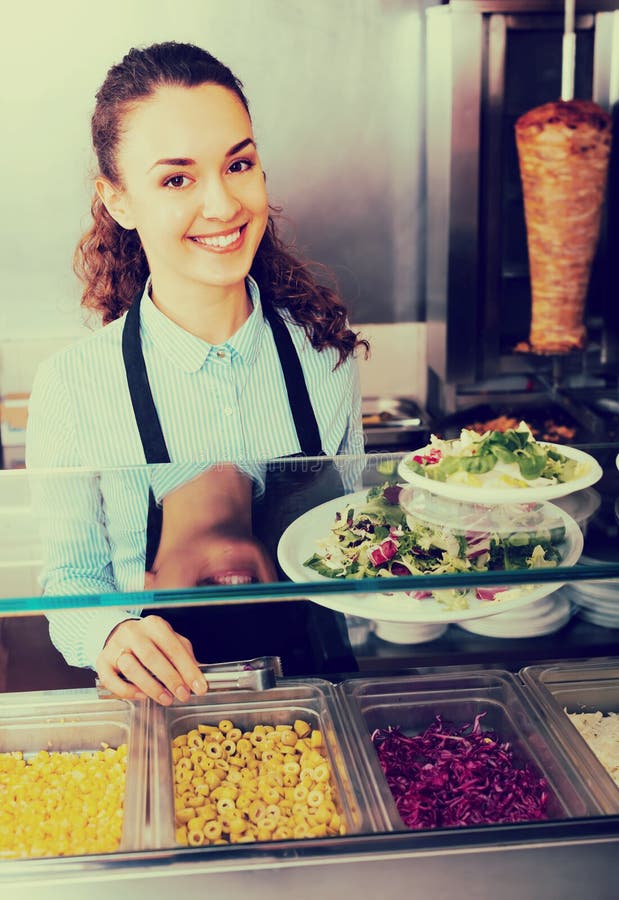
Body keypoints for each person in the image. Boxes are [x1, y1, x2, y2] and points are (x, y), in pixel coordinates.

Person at [26, 41, 368, 704]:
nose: (222, 205)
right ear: (118, 201)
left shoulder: (324, 355)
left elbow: (346, 539)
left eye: (238, 165)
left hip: (323, 705)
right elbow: (72, 578)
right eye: (176, 179)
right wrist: (107, 634)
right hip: (163, 709)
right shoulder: (74, 385)